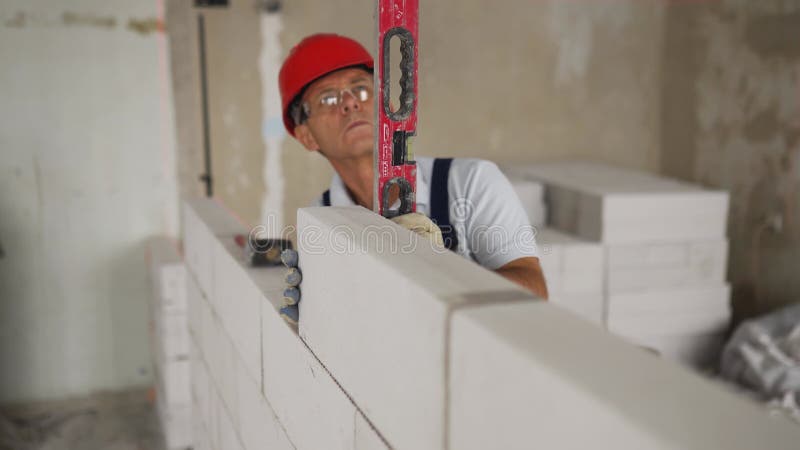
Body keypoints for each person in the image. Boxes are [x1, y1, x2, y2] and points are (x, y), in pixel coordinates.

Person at [277, 33, 547, 324]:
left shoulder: (469, 182)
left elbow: (534, 291)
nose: (350, 103)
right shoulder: (322, 218)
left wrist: (439, 274)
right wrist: (318, 312)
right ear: (306, 136)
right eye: (328, 98)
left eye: (361, 89)